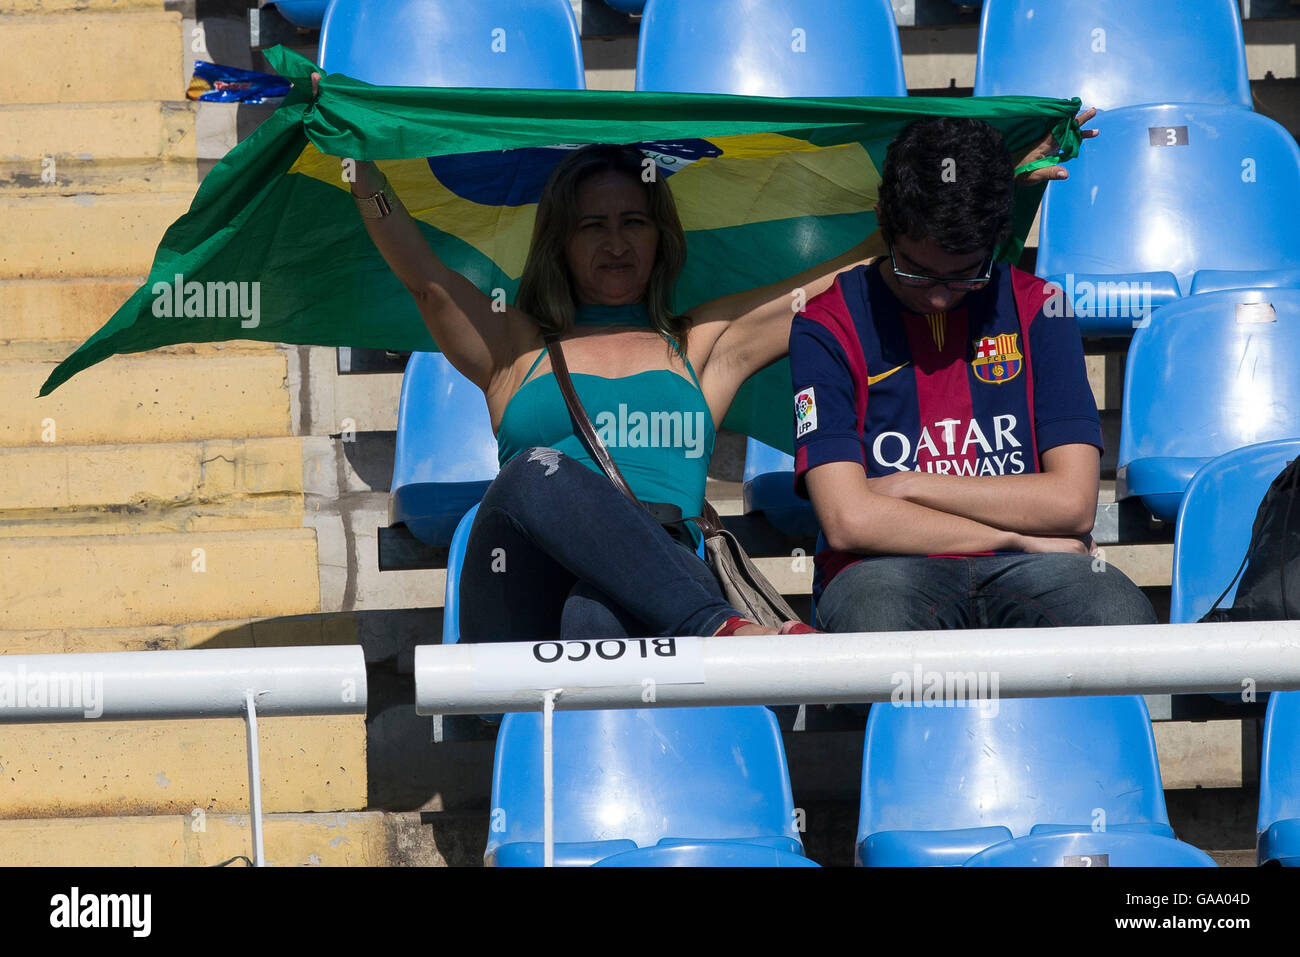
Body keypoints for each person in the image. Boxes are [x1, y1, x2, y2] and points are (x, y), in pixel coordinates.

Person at [316, 72, 1088, 641]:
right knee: (534, 472)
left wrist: (995, 192)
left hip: (647, 599)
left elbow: (856, 270)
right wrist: (360, 171)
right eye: (592, 227)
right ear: (561, 238)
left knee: (600, 606)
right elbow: (424, 277)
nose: (616, 242)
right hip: (519, 589)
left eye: (633, 222)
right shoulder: (514, 344)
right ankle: (731, 630)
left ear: (661, 236)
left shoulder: (700, 347)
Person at [790, 116, 1156, 632]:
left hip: (1038, 568)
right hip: (881, 568)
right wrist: (1014, 536)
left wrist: (909, 484)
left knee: (1116, 616)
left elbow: (1072, 506)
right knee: (878, 628)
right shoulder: (825, 324)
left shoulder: (1042, 309)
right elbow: (850, 521)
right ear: (883, 224)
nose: (940, 296)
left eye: (965, 274)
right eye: (919, 271)